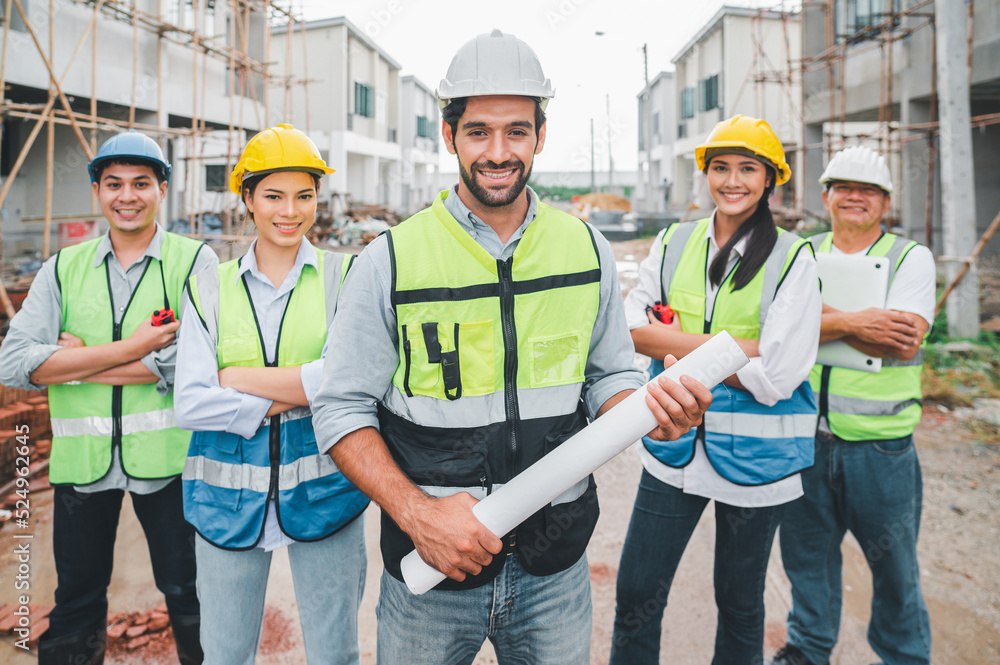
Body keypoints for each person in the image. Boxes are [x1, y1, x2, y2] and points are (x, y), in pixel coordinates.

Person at [310, 30, 712, 665]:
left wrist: (648, 413)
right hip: (431, 574)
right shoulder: (390, 261)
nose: (498, 151)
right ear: (450, 136)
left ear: (540, 135)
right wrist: (417, 515)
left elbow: (609, 377)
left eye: (516, 131)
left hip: (554, 570)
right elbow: (339, 409)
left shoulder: (586, 250)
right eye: (479, 131)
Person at [609, 114, 822, 665]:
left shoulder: (793, 257)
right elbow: (631, 331)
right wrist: (740, 346)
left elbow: (778, 375)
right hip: (673, 448)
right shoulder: (673, 242)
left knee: (740, 602)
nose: (733, 180)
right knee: (636, 593)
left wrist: (677, 344)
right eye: (721, 167)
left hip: (757, 461)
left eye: (748, 169)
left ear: (770, 179)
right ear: (706, 173)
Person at [0, 130, 215, 665]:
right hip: (82, 466)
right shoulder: (62, 270)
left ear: (162, 189)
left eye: (141, 183)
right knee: (76, 599)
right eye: (114, 183)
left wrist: (71, 365)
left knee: (189, 593)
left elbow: (198, 365)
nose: (127, 196)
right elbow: (14, 364)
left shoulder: (195, 263)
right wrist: (137, 348)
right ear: (97, 189)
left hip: (171, 463)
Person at [174, 124, 370, 665]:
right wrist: (306, 387)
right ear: (247, 200)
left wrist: (236, 377)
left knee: (336, 655)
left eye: (304, 195)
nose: (291, 211)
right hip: (225, 503)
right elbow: (189, 402)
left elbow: (351, 381)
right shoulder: (209, 284)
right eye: (274, 196)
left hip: (327, 496)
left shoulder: (345, 277)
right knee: (225, 656)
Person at [772, 146, 933, 665]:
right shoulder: (800, 251)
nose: (855, 197)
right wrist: (860, 322)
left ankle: (904, 655)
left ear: (885, 201)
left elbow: (903, 342)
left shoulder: (911, 258)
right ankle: (809, 648)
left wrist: (813, 318)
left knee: (896, 570)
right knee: (806, 559)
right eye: (844, 187)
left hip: (880, 450)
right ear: (826, 196)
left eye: (867, 189)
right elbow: (770, 328)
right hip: (803, 438)